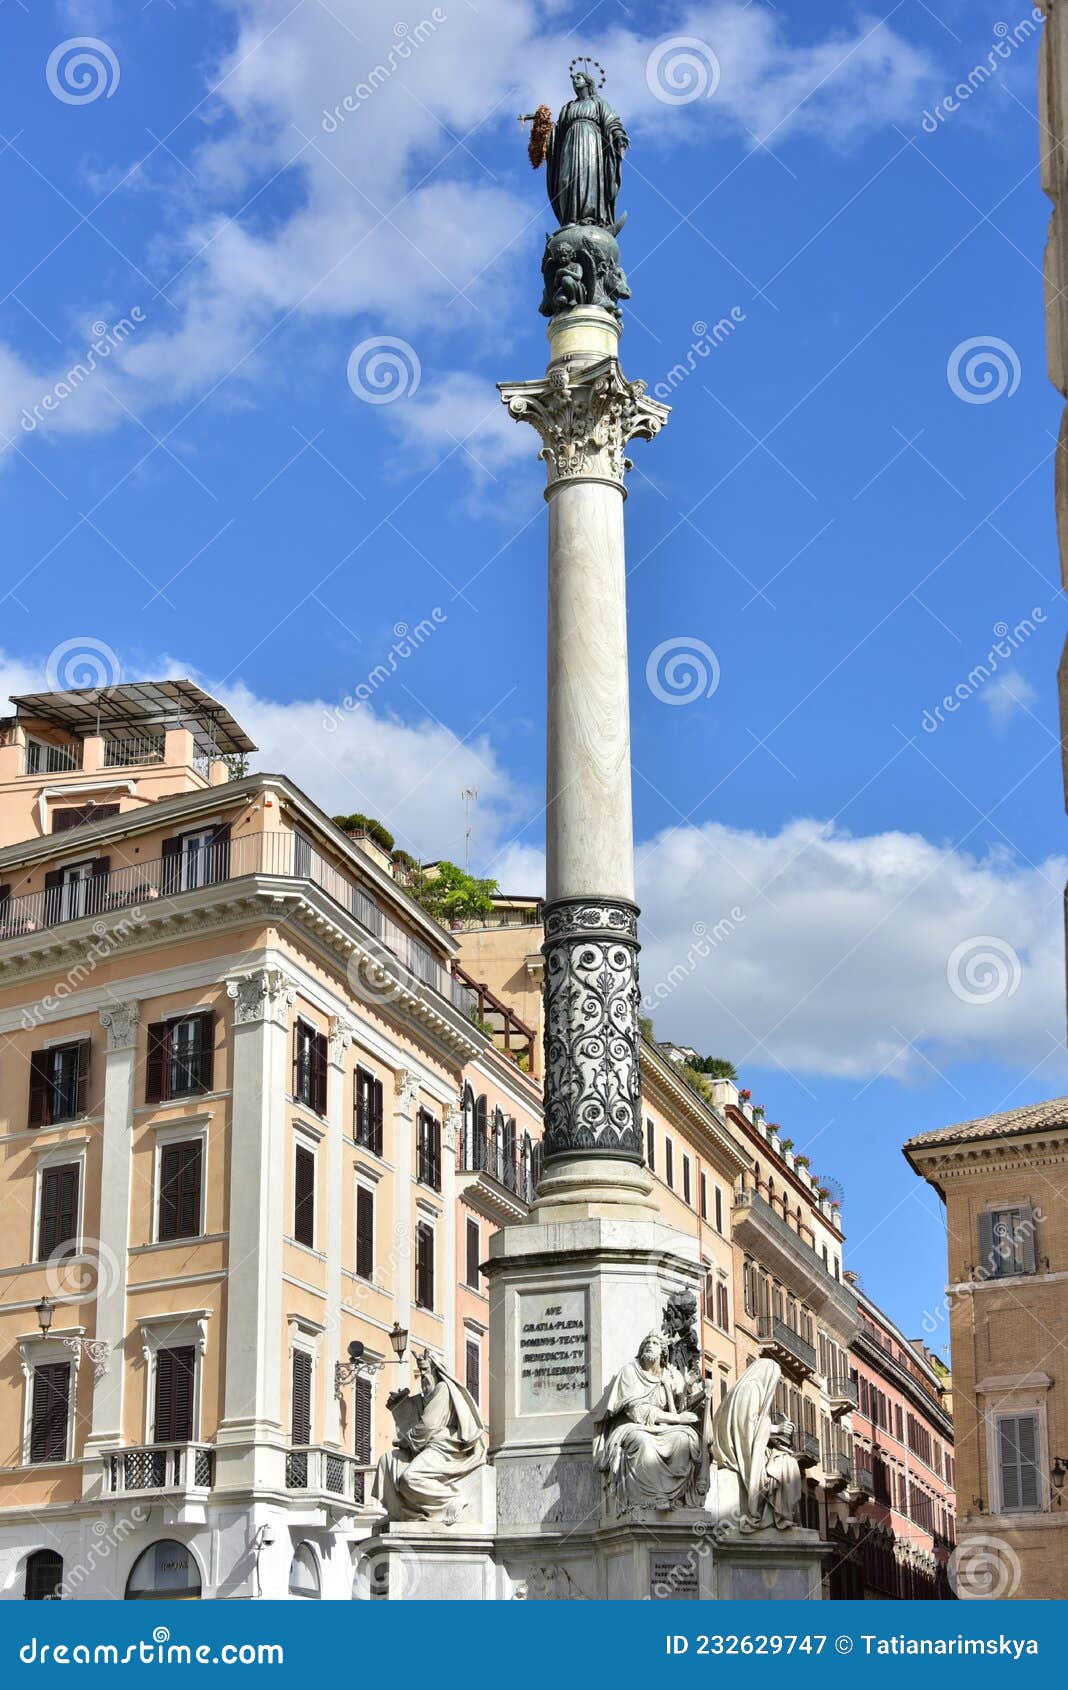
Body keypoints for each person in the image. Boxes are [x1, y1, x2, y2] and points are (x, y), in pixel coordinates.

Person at [594, 1332, 710, 1511]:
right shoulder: (630, 1372)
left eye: (655, 1343)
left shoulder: (670, 1375)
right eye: (647, 1342)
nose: (649, 1345)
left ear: (663, 1353)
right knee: (644, 1442)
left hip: (662, 1427)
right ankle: (649, 1499)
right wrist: (677, 1418)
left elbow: (681, 1406)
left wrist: (689, 1387)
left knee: (684, 1438)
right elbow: (636, 1411)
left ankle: (675, 1498)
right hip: (632, 1426)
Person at [373, 1351, 486, 1525]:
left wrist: (406, 1441)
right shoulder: (428, 1394)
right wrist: (400, 1405)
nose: (423, 1374)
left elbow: (429, 1426)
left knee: (411, 1477)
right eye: (420, 1370)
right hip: (424, 1445)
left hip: (445, 1446)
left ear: (435, 1369)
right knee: (386, 1460)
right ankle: (398, 1511)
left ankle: (451, 1499)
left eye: (426, 1369)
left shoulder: (442, 1389)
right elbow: (416, 1420)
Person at [711, 1357, 802, 1532]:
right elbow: (747, 1425)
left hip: (740, 1448)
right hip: (739, 1454)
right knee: (787, 1465)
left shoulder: (742, 1388)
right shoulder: (751, 1388)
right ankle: (780, 1516)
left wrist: (773, 1436)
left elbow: (748, 1427)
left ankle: (782, 1515)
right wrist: (777, 1429)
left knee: (784, 1461)